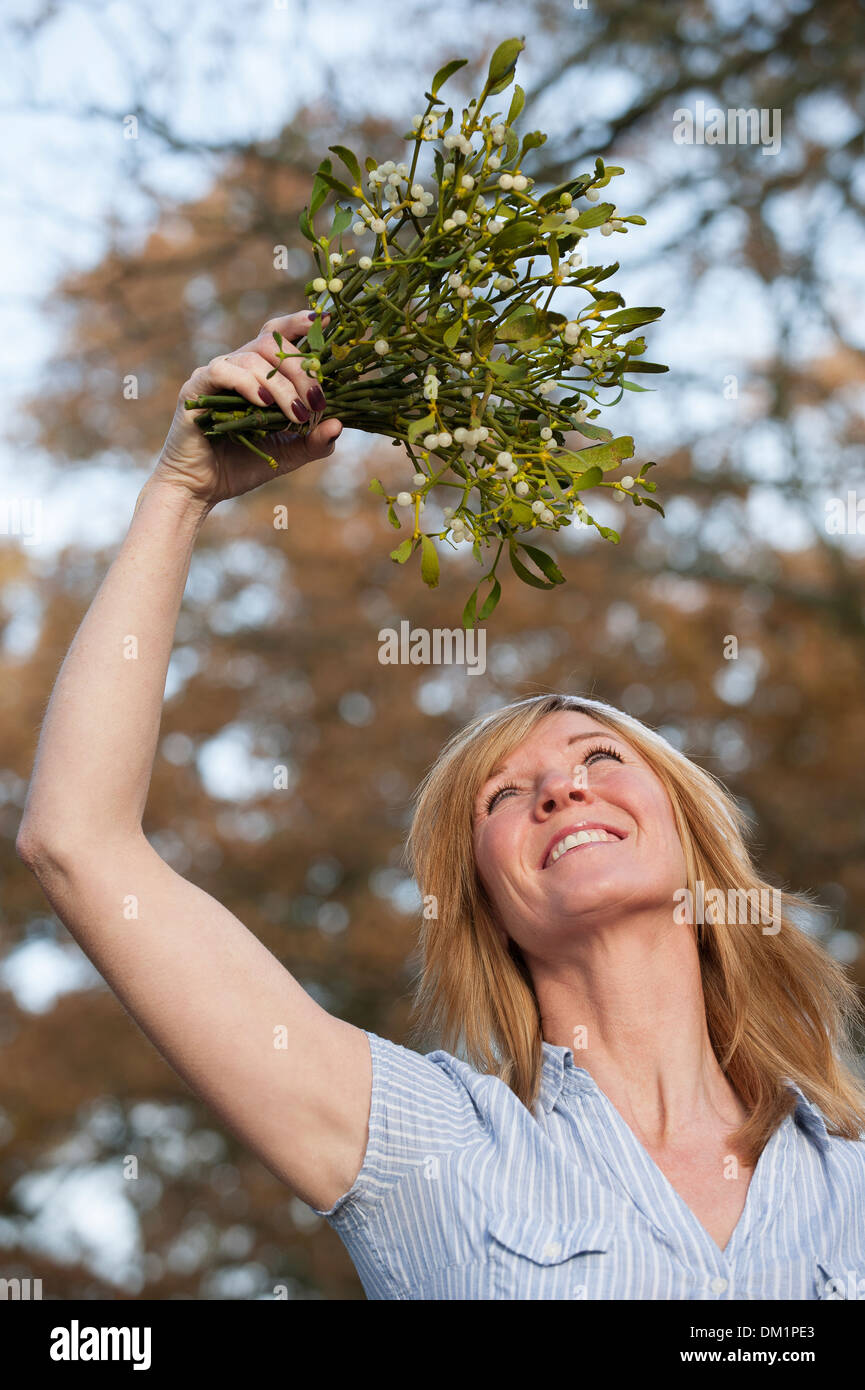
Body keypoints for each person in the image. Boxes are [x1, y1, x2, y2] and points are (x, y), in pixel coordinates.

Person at [17, 312, 865, 1302]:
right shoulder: (419, 1145)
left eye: (599, 754)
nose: (562, 786)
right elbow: (77, 842)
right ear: (480, 899)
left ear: (694, 838)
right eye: (505, 794)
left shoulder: (848, 1185)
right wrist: (179, 493)